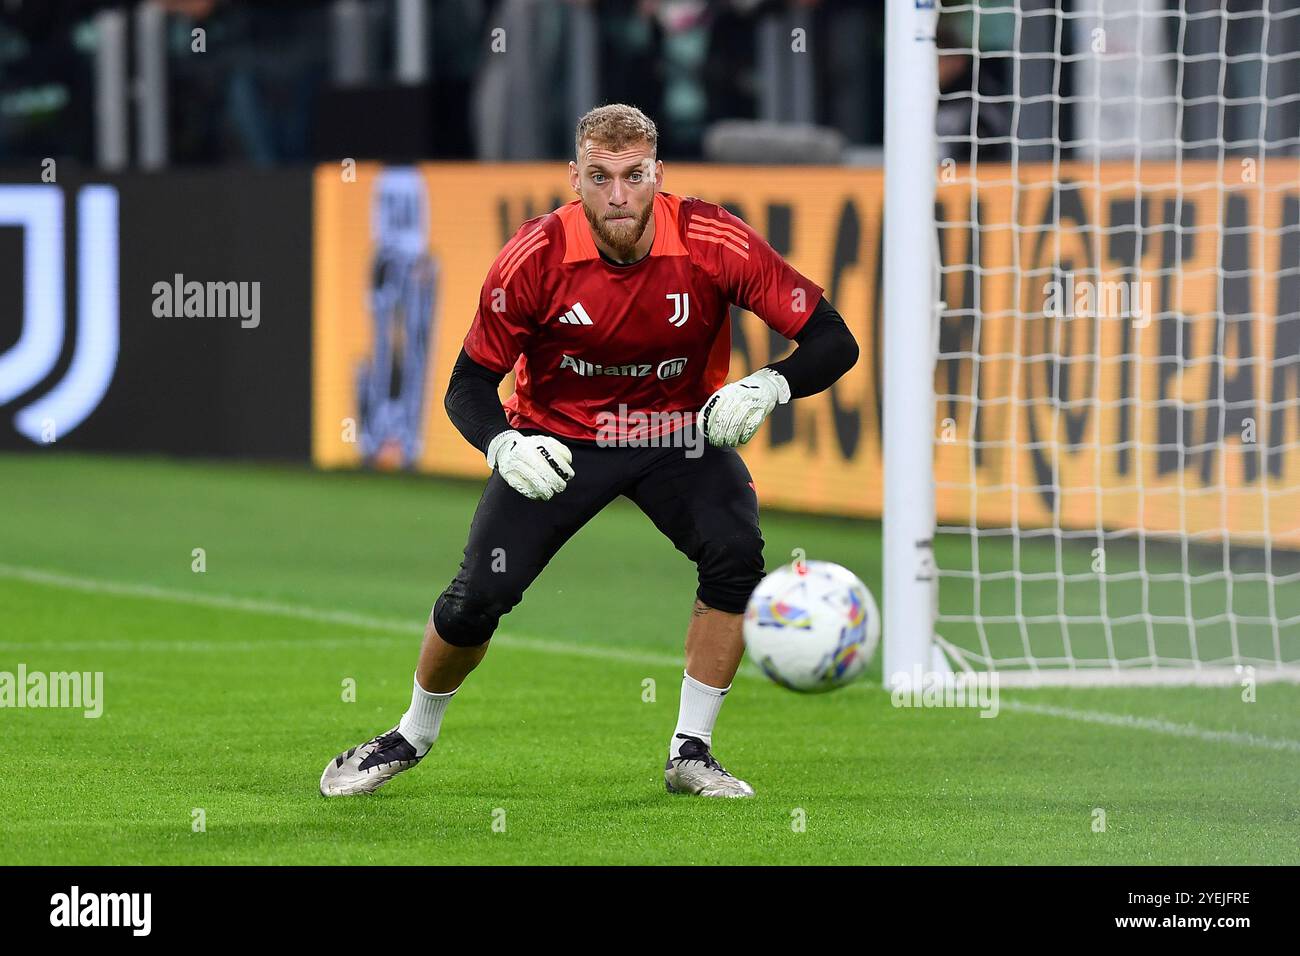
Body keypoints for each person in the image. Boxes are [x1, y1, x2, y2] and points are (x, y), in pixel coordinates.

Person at [320, 103, 858, 799]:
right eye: (600, 177)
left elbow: (832, 340)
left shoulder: (713, 240)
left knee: (735, 554)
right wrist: (502, 442)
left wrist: (769, 386)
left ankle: (691, 752)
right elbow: (467, 385)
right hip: (559, 443)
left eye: (634, 176)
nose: (618, 195)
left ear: (658, 174)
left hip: (675, 436)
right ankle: (410, 735)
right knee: (475, 599)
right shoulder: (535, 257)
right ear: (574, 178)